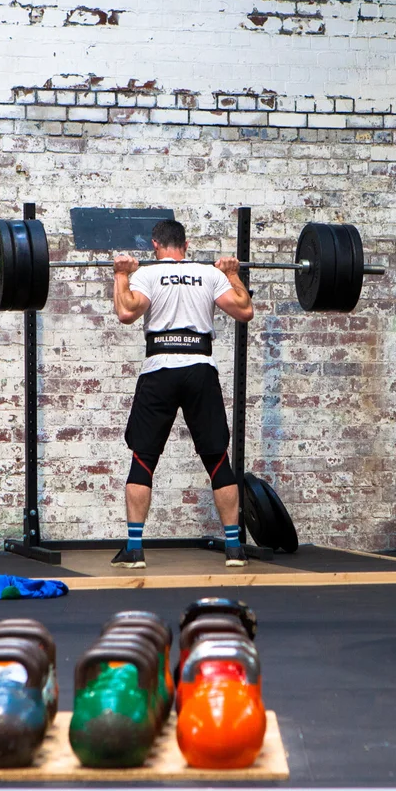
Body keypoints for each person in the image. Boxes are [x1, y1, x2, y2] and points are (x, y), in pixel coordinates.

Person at [110, 218, 254, 568]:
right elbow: (244, 310)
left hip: (159, 370)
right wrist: (232, 272)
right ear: (185, 245)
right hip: (200, 370)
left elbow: (127, 311)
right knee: (218, 458)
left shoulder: (148, 273)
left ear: (155, 246)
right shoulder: (209, 274)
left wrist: (120, 274)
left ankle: (134, 549)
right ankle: (234, 549)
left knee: (144, 457)